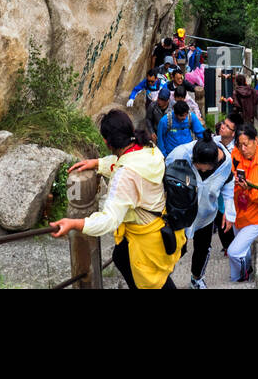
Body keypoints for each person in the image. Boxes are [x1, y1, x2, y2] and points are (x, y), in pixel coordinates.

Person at [50, 110, 183, 289]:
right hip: (161, 226)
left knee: (153, 283)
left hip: (146, 241)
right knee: (120, 256)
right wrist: (97, 163)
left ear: (106, 141)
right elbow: (123, 160)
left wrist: (74, 223)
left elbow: (109, 220)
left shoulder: (126, 176)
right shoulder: (147, 148)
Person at [166, 136, 236, 289]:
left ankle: (197, 278)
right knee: (176, 247)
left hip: (206, 214)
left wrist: (229, 210)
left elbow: (228, 181)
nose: (202, 170)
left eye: (206, 167)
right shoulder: (181, 154)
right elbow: (163, 175)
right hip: (181, 211)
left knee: (203, 248)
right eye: (198, 166)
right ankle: (163, 276)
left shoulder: (225, 161)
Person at [228, 123, 258, 282]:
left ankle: (240, 279)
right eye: (240, 145)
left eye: (246, 144)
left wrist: (250, 190)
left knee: (234, 252)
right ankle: (243, 274)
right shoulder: (235, 156)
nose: (243, 148)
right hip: (239, 213)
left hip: (257, 218)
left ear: (256, 141)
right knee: (243, 251)